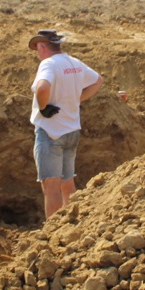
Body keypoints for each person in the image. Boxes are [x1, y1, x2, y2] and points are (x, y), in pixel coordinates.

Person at [28, 29, 102, 218]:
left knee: (51, 188)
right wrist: (76, 99)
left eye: (37, 49)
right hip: (71, 131)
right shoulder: (74, 63)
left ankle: (54, 233)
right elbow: (97, 80)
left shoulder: (49, 64)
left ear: (42, 47)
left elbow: (43, 87)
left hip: (51, 132)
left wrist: (43, 108)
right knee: (67, 183)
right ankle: (72, 226)